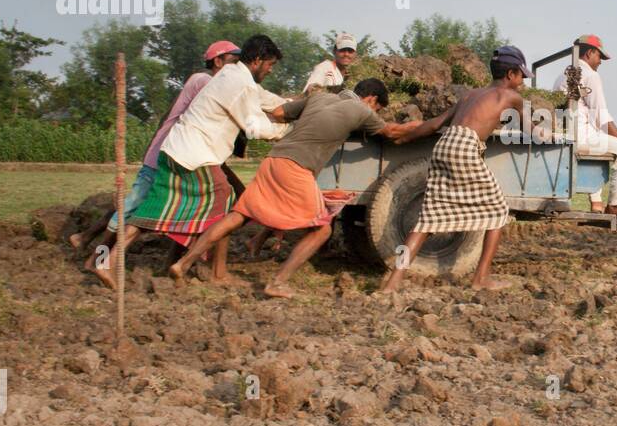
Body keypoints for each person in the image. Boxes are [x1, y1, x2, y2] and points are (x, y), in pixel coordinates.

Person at [168, 79, 418, 297]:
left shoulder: (319, 97)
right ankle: (277, 282)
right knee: (321, 231)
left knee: (238, 215)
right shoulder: (360, 110)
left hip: (273, 160)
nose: (375, 112)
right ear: (371, 98)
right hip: (297, 168)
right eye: (377, 108)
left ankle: (183, 263)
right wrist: (423, 124)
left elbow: (277, 113)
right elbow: (392, 131)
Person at [117, 34, 292, 286]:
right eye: (270, 64)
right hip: (196, 155)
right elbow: (256, 128)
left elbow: (264, 98)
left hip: (179, 150)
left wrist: (296, 105)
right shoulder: (240, 84)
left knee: (152, 210)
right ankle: (215, 273)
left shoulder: (232, 75)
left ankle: (109, 262)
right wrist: (288, 129)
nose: (270, 70)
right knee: (227, 205)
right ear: (257, 60)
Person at [75, 40, 241, 286]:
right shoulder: (204, 81)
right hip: (166, 156)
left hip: (178, 155)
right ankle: (97, 259)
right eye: (233, 62)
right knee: (133, 209)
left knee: (157, 207)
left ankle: (98, 252)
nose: (236, 69)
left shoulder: (209, 83)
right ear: (218, 61)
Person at [379, 46, 530, 293]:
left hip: (444, 145)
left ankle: (393, 282)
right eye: (521, 76)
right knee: (499, 212)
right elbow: (529, 131)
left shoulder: (469, 95)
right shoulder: (512, 97)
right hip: (466, 147)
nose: (522, 82)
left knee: (426, 221)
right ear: (511, 74)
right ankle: (481, 278)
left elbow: (434, 124)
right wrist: (544, 130)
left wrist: (404, 138)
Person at [570, 34, 617, 224]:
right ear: (589, 53)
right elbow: (601, 116)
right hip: (582, 136)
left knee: (605, 141)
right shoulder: (590, 75)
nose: (600, 62)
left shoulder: (564, 74)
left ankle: (596, 202)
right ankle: (615, 206)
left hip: (569, 135)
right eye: (599, 57)